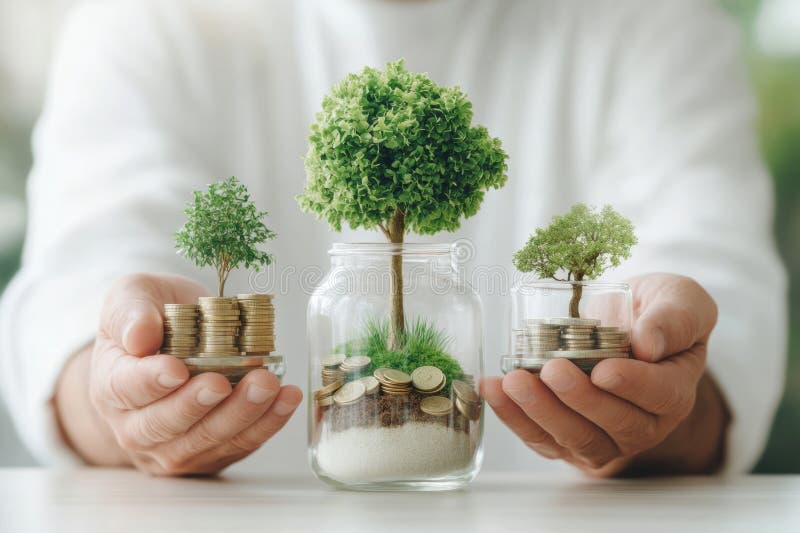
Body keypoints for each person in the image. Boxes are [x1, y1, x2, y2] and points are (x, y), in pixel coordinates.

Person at [0, 0, 786, 477]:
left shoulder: (658, 26)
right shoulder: (142, 24)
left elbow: (718, 300)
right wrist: (120, 392)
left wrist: (670, 383)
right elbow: (81, 286)